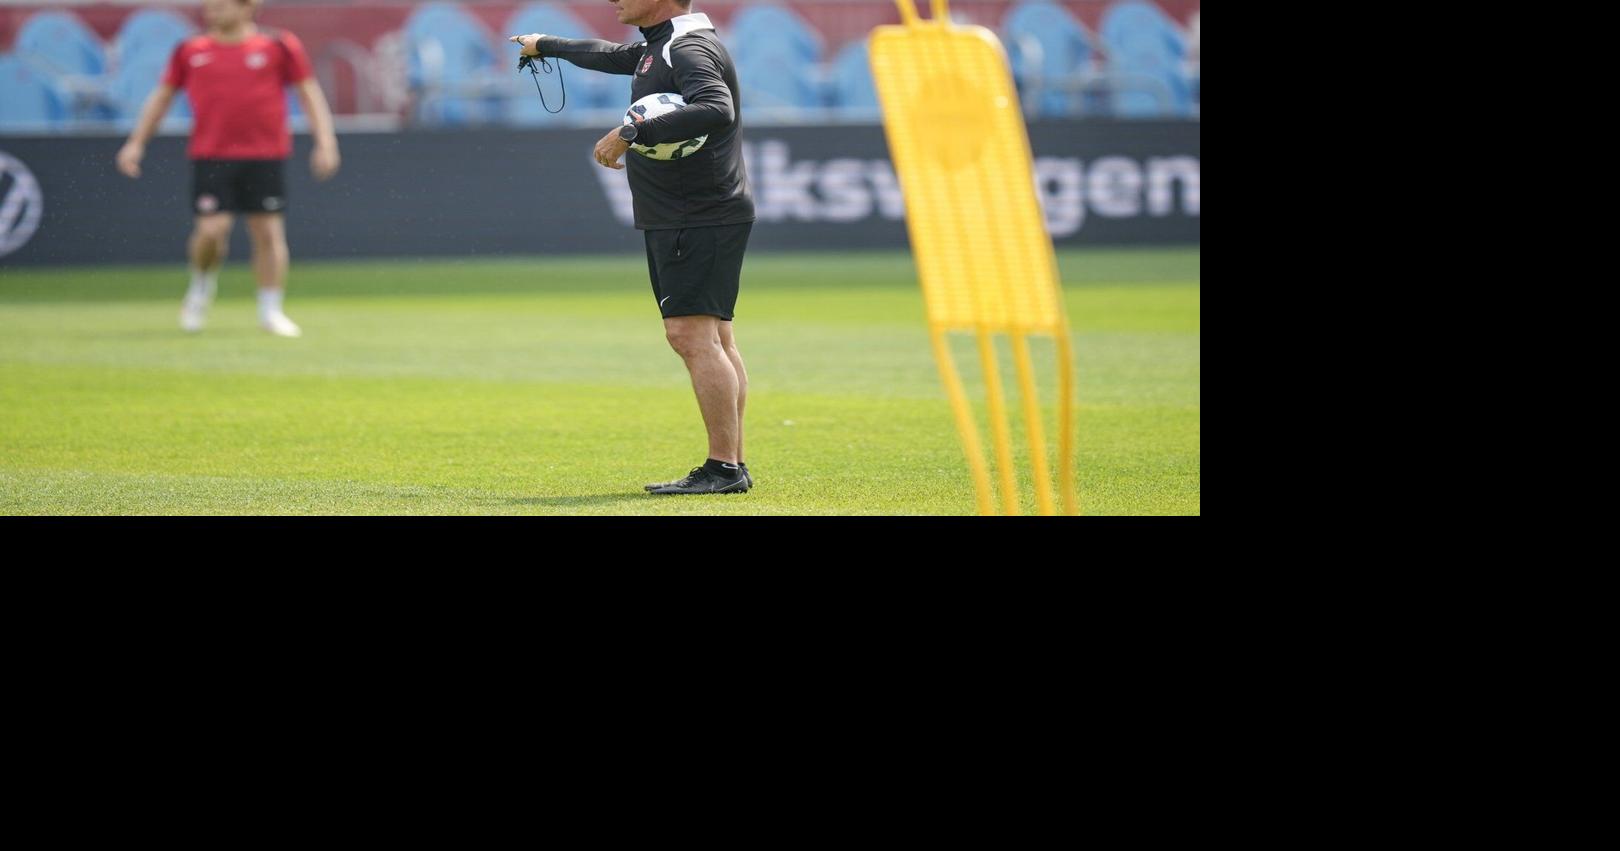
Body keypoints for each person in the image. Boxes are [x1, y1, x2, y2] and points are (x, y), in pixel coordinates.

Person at [512, 0, 756, 496]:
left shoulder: (688, 48)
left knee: (691, 336)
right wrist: (548, 45)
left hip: (696, 215)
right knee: (715, 339)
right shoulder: (663, 44)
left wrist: (631, 132)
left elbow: (714, 108)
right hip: (694, 214)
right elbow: (609, 54)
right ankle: (731, 464)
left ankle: (723, 469)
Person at [116, 0, 340, 337]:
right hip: (212, 156)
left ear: (248, 7)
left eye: (221, 5)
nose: (212, 11)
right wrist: (136, 142)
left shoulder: (278, 45)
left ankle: (271, 310)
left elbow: (309, 93)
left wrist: (325, 141)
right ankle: (201, 285)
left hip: (266, 155)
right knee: (211, 231)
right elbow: (162, 97)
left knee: (267, 233)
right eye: (209, 6)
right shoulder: (190, 50)